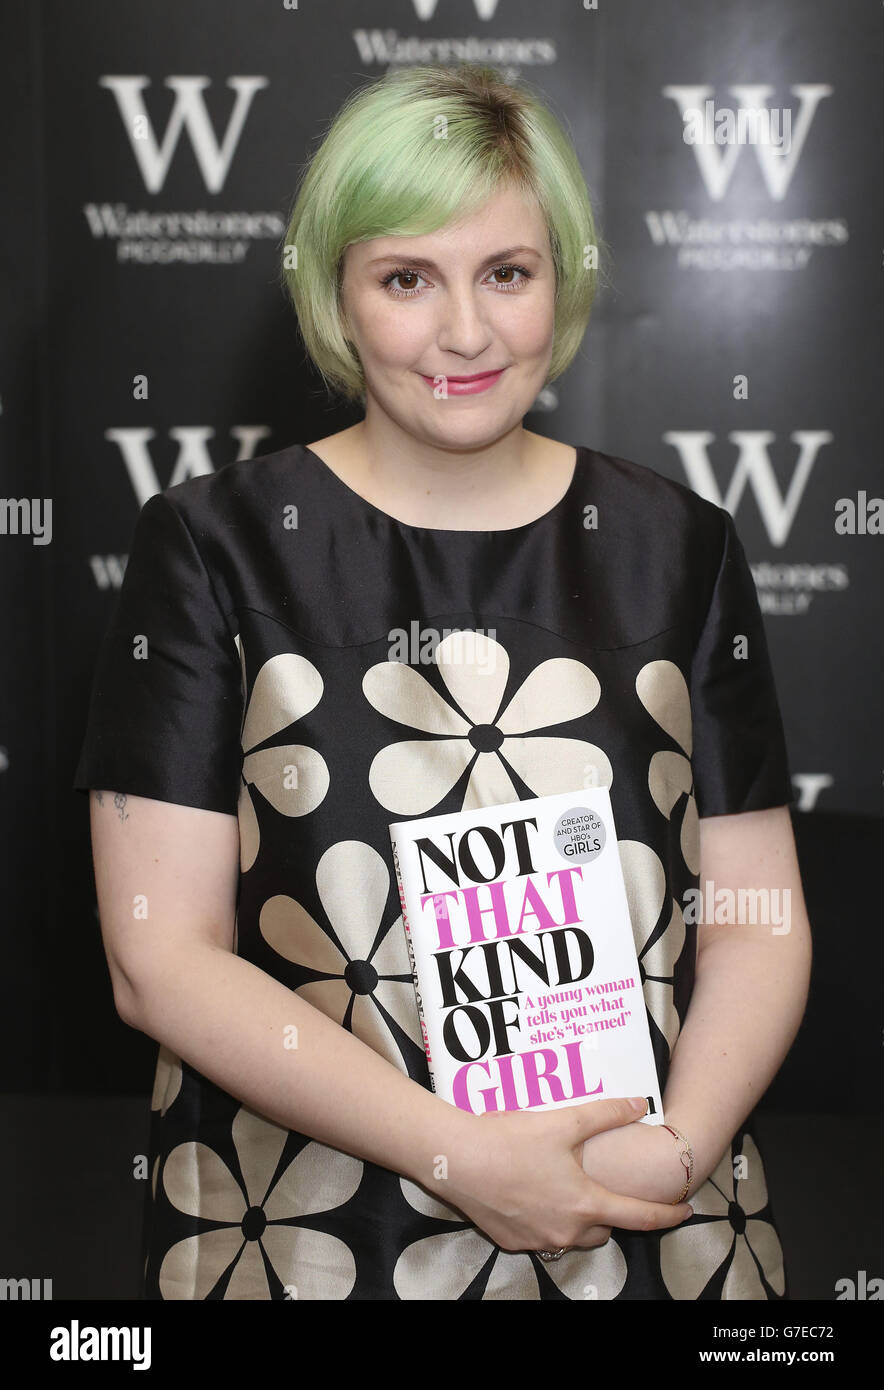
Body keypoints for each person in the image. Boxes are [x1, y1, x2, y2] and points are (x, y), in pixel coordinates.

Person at [73, 62, 812, 1300]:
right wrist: (464, 1155)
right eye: (406, 278)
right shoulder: (212, 547)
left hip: (644, 1223)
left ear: (561, 282)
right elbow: (161, 957)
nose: (464, 333)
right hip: (310, 1240)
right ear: (336, 294)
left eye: (505, 274)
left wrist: (666, 1155)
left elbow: (755, 918)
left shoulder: (677, 545)